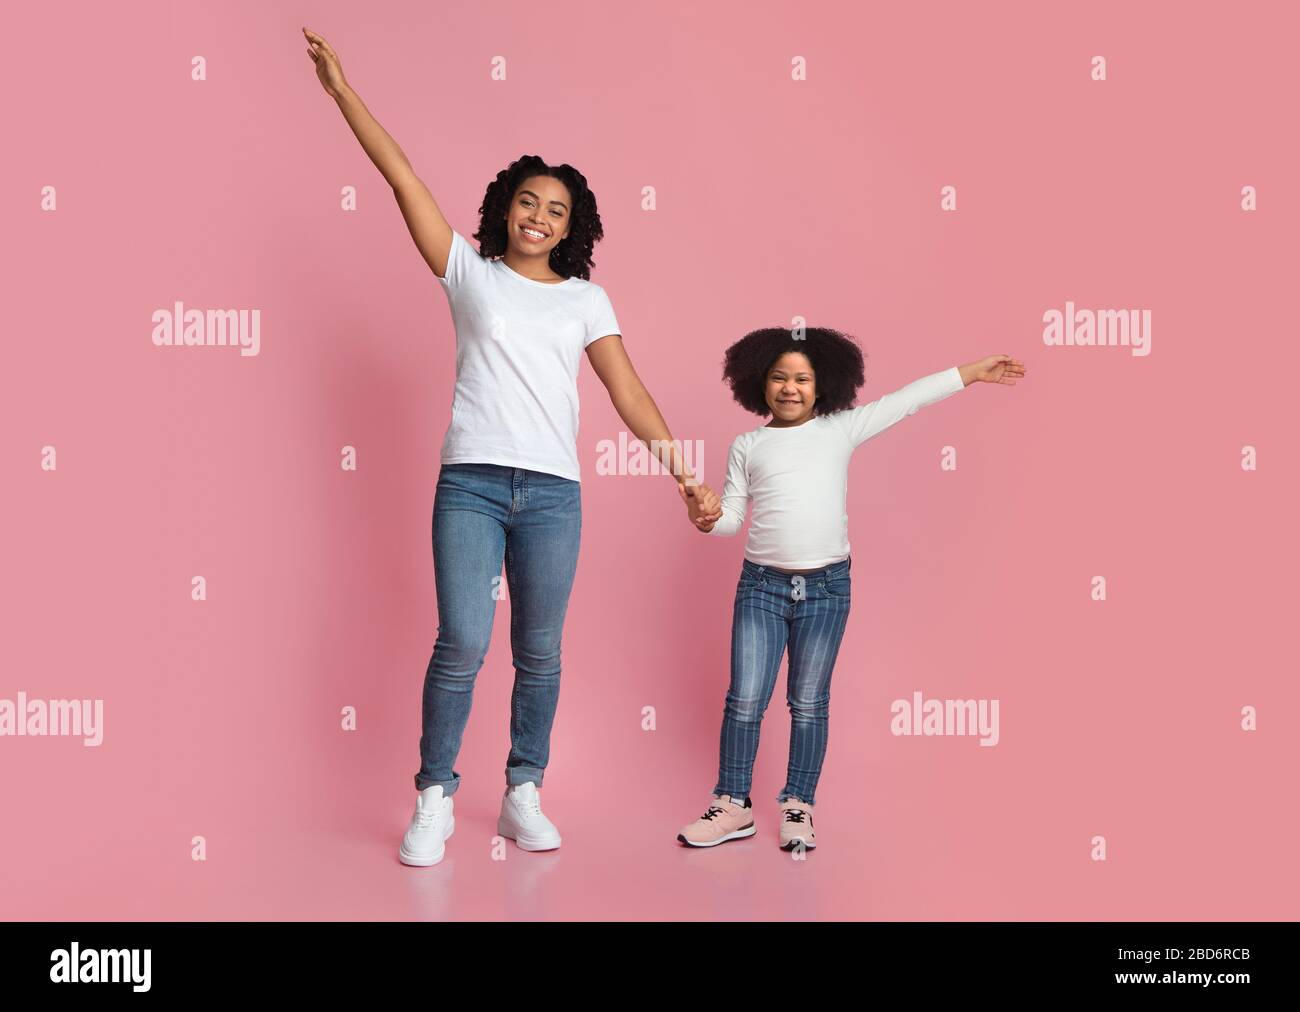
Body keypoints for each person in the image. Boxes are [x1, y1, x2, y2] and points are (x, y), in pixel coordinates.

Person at [303, 27, 722, 867]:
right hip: (472, 485)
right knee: (461, 639)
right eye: (529, 201)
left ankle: (522, 791)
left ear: (573, 227)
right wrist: (342, 91)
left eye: (557, 210)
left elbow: (626, 390)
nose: (540, 216)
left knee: (540, 649)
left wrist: (684, 474)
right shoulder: (468, 271)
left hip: (554, 494)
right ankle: (434, 798)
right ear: (506, 208)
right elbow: (402, 177)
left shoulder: (585, 300)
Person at [677, 326, 1025, 850]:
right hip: (761, 587)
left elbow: (906, 401)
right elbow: (729, 519)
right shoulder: (748, 444)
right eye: (779, 378)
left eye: (802, 379)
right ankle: (732, 805)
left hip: (827, 589)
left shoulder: (841, 429)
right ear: (759, 384)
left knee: (809, 701)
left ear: (823, 386)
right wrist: (704, 517)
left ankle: (799, 805)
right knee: (745, 699)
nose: (789, 388)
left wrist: (970, 374)